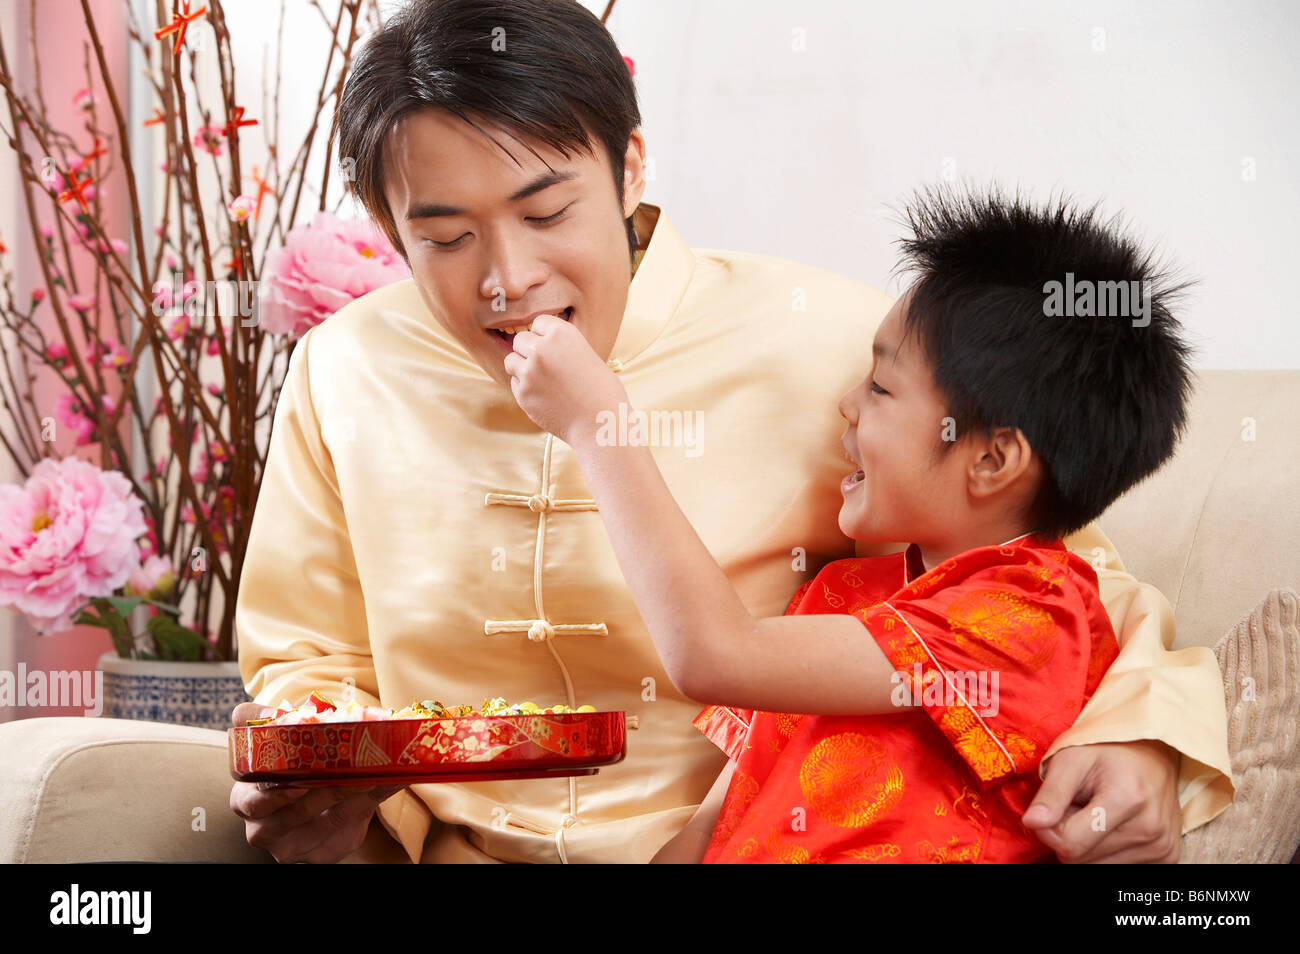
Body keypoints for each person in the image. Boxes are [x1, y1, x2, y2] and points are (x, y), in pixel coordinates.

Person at [230, 0, 1233, 864]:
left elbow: (1054, 567)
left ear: (627, 169)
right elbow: (304, 658)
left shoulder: (846, 354)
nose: (508, 277)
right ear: (385, 224)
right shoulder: (341, 367)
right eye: (444, 239)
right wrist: (321, 782)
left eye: (547, 212)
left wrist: (1141, 733)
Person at [505, 185, 1206, 862]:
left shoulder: (1031, 617)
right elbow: (714, 823)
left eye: (879, 387)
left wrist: (602, 429)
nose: (846, 404)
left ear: (991, 457)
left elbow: (715, 656)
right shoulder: (839, 594)